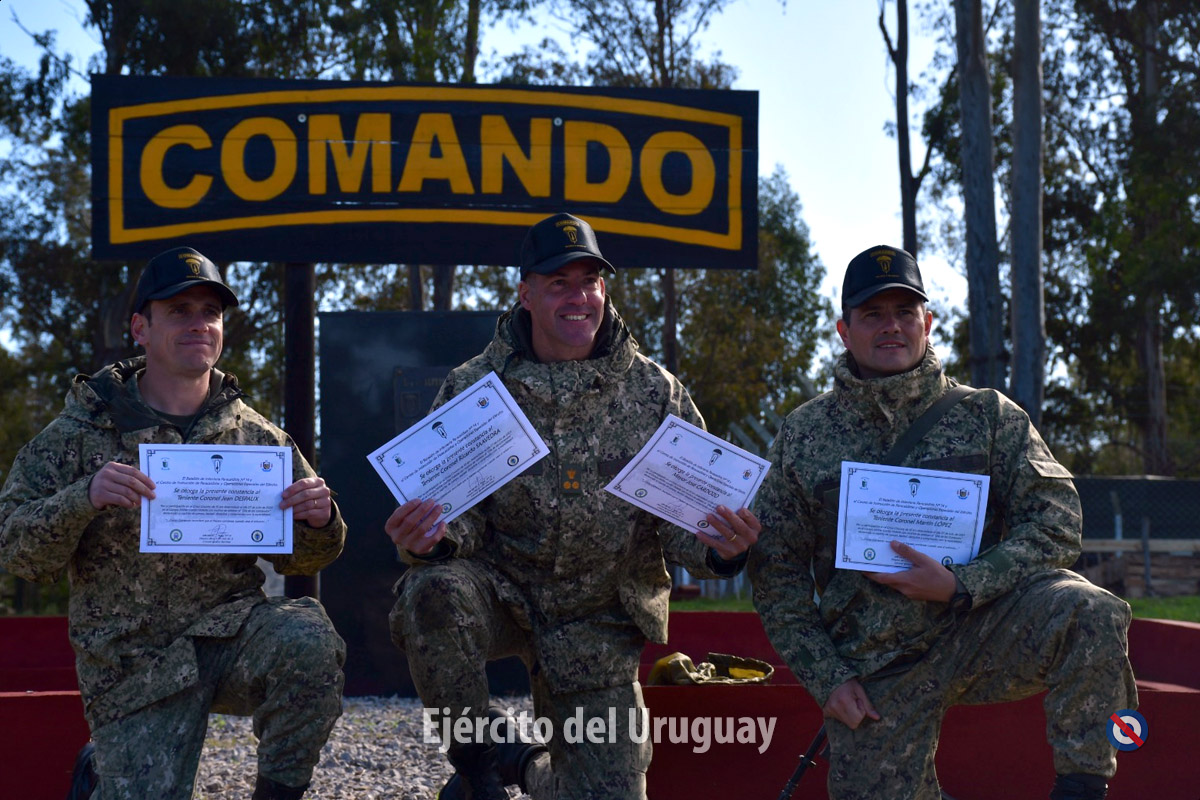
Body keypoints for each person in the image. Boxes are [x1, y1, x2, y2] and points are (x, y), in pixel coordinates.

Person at [385, 213, 760, 800]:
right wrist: (431, 535)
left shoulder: (654, 393)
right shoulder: (476, 387)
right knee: (431, 591)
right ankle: (479, 761)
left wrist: (722, 550)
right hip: (501, 594)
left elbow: (685, 523)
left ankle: (523, 768)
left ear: (605, 289)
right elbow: (459, 515)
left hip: (598, 616)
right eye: (558, 282)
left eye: (589, 280)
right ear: (525, 293)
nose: (577, 296)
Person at [748, 245, 1137, 800]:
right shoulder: (805, 434)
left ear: (927, 323)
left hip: (980, 629)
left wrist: (963, 584)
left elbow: (1056, 520)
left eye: (905, 312)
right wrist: (826, 677)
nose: (892, 327)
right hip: (875, 659)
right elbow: (777, 573)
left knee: (1089, 610)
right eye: (873, 314)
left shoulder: (987, 415)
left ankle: (1081, 788)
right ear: (843, 329)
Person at [0, 246, 348, 800]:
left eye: (210, 312)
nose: (199, 324)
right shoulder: (79, 434)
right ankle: (99, 773)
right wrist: (82, 498)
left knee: (307, 637)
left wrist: (319, 518)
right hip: (133, 659)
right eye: (179, 310)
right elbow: (15, 550)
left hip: (229, 634)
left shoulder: (257, 439)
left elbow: (304, 557)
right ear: (140, 327)